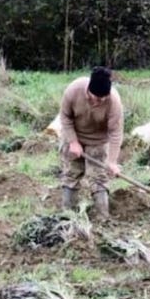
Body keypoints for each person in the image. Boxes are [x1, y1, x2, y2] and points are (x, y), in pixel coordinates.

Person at [57, 65, 124, 219]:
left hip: (98, 141)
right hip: (74, 135)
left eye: (102, 99)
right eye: (95, 98)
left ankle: (103, 217)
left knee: (99, 178)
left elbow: (115, 132)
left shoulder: (114, 101)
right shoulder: (74, 90)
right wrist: (73, 142)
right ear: (88, 90)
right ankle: (68, 215)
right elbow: (65, 117)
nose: (98, 102)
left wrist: (112, 161)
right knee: (71, 174)